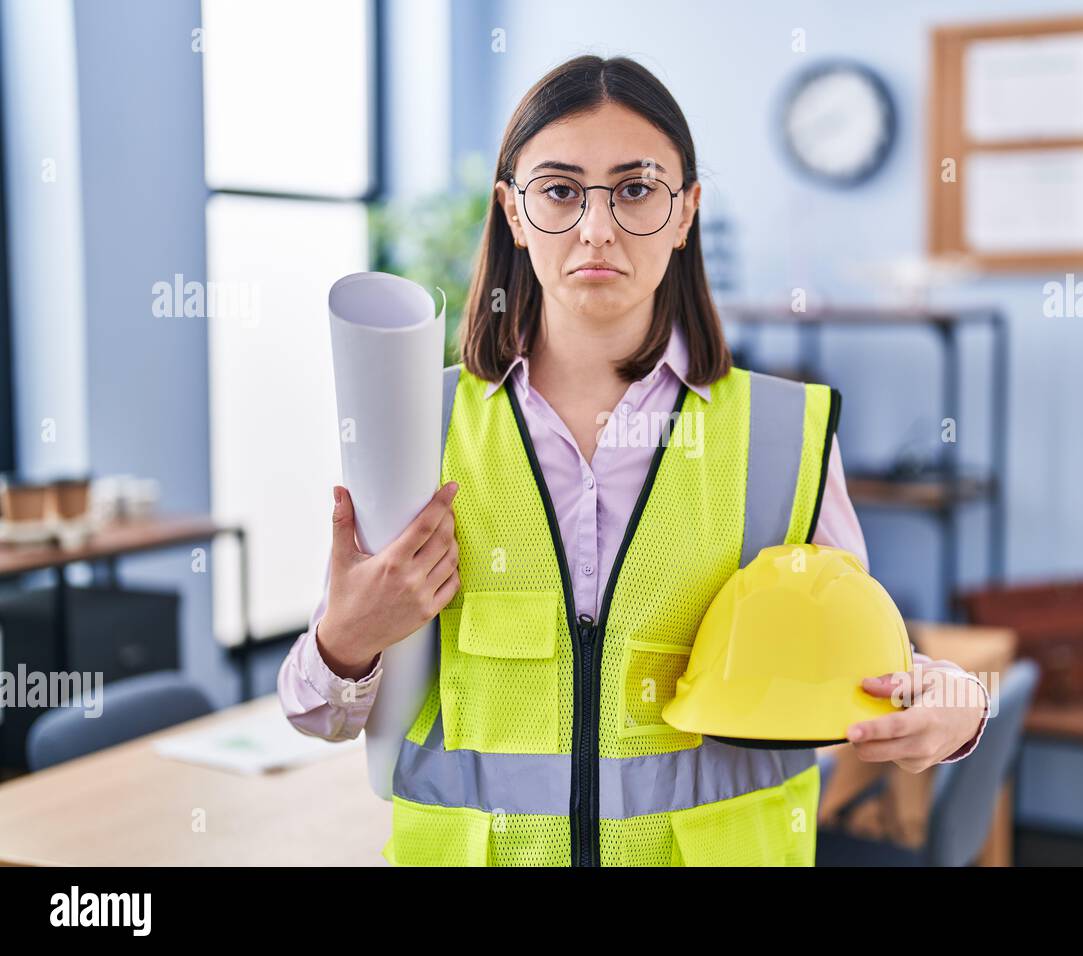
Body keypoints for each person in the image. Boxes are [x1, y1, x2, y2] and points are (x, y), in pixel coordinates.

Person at [278, 54, 989, 867]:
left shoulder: (780, 433)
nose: (596, 228)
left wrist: (956, 706)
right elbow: (316, 713)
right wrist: (346, 638)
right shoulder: (421, 423)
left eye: (637, 189)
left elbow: (851, 660)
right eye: (558, 191)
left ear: (686, 212)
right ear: (513, 212)